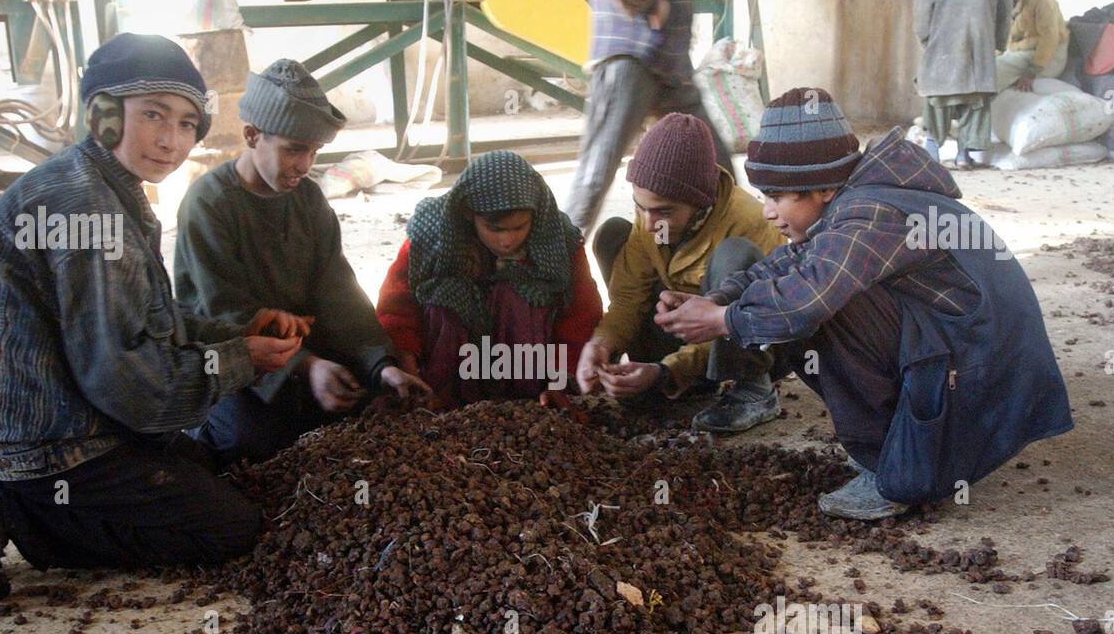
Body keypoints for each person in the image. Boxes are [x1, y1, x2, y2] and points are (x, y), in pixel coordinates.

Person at [0, 34, 306, 600]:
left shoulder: (103, 185)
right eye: (153, 115)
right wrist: (238, 361)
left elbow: (142, 320)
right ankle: (12, 508)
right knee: (233, 529)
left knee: (214, 462)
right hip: (45, 442)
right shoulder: (85, 209)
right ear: (103, 113)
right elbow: (130, 387)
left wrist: (233, 331)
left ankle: (20, 493)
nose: (171, 139)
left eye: (188, 123)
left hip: (68, 412)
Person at [653, 88, 1072, 519]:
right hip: (961, 350)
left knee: (819, 311)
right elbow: (788, 264)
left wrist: (724, 320)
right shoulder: (855, 198)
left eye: (776, 197)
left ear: (825, 188)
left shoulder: (872, 210)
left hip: (987, 374)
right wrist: (717, 298)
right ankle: (894, 446)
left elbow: (805, 302)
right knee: (795, 296)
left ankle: (886, 468)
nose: (766, 212)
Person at [175, 59, 430, 467]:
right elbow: (221, 312)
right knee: (249, 444)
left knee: (378, 406)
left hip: (308, 350)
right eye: (294, 149)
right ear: (252, 135)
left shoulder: (309, 200)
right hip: (238, 357)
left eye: (314, 152)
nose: (305, 165)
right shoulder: (210, 203)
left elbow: (338, 294)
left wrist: (380, 365)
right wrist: (303, 366)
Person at [575, 113, 783, 430]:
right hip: (684, 338)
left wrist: (668, 372)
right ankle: (653, 374)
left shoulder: (750, 222)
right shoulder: (653, 218)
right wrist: (603, 344)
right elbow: (629, 297)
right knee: (612, 234)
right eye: (641, 206)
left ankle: (753, 392)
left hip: (748, 342)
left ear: (701, 202)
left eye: (663, 211)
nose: (648, 223)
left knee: (734, 255)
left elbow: (753, 319)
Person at [376, 151, 603, 409]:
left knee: (514, 296)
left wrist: (560, 381)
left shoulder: (559, 242)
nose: (506, 241)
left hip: (530, 379)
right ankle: (444, 400)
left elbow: (581, 316)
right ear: (468, 214)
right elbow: (397, 307)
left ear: (536, 216)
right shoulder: (431, 236)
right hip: (448, 376)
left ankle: (522, 400)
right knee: (444, 295)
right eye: (494, 229)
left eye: (519, 228)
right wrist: (406, 360)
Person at [563, 0, 732, 234]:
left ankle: (743, 262)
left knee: (718, 169)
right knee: (596, 174)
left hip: (670, 64)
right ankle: (557, 269)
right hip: (631, 58)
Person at [913, 0, 1011, 170]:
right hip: (980, 45)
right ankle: (963, 155)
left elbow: (922, 14)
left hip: (943, 47)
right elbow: (1004, 11)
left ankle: (933, 151)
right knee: (974, 99)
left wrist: (927, 41)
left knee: (937, 99)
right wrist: (997, 43)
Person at [996, 0, 1069, 94]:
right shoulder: (1003, 2)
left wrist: (1031, 72)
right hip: (1018, 50)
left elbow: (1050, 38)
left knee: (994, 71)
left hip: (1048, 55)